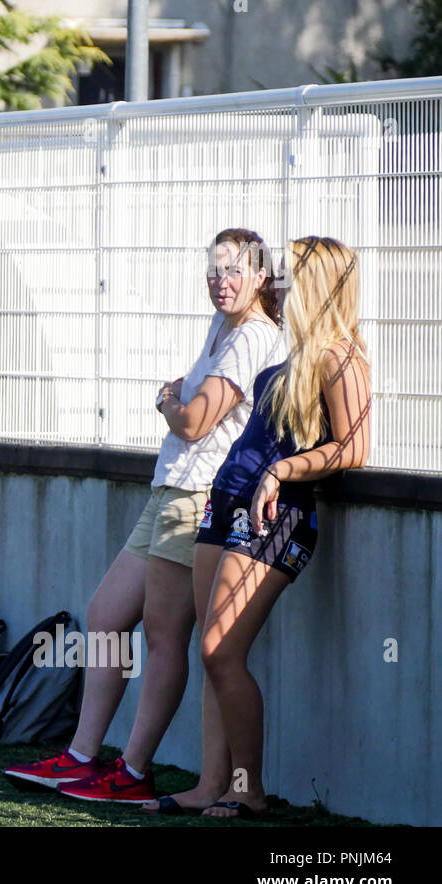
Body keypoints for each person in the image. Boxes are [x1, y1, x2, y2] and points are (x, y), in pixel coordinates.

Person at [3, 228, 284, 803]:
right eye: (214, 269)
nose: (220, 281)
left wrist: (165, 399)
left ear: (261, 276)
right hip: (168, 490)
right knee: (104, 614)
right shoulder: (223, 326)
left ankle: (132, 771)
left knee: (163, 635)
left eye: (234, 271)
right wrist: (178, 399)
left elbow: (194, 423)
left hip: (198, 494)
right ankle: (82, 756)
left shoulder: (253, 335)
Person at [151, 236, 370, 819]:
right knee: (210, 653)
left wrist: (282, 469)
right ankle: (210, 783)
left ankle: (247, 789)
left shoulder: (339, 356)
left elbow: (353, 447)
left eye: (286, 277)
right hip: (225, 504)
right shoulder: (289, 356)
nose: (274, 284)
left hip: (277, 516)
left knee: (223, 652)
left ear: (316, 287)